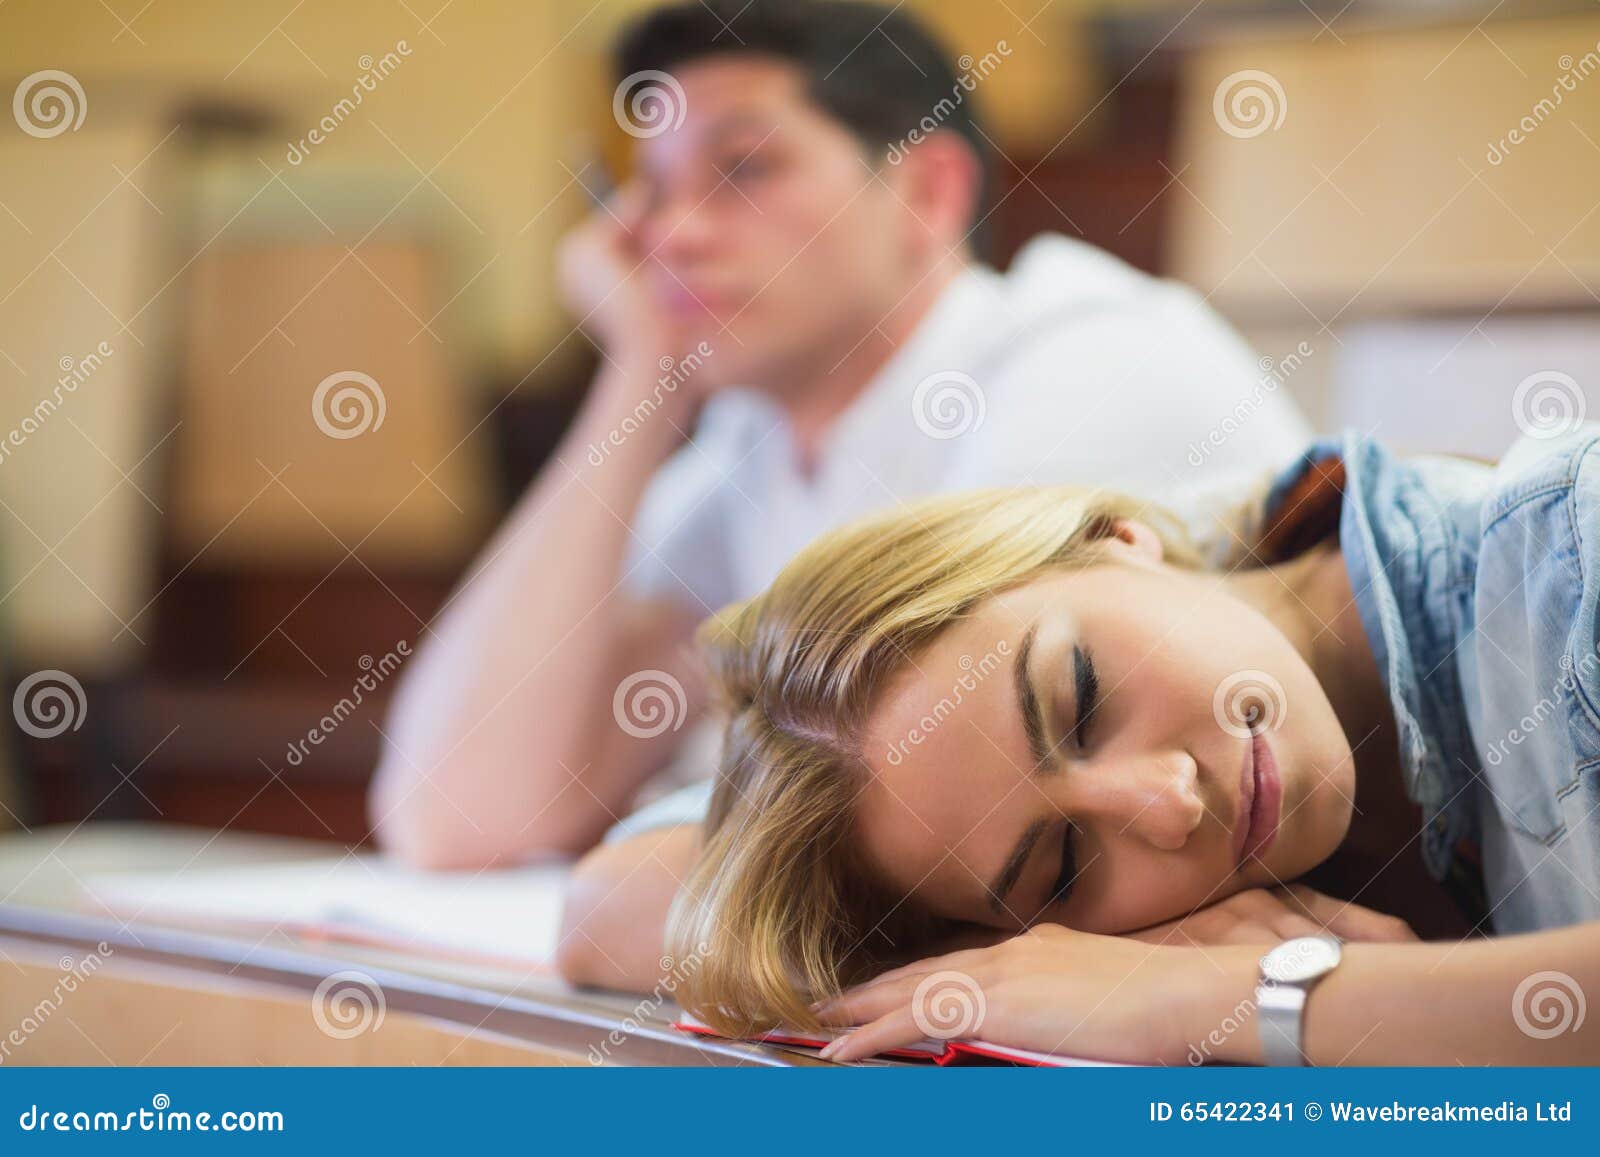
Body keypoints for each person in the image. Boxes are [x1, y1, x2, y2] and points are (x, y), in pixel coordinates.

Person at [368, 0, 1310, 871]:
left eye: (743, 169)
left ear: (928, 191)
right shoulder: (752, 447)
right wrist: (638, 384)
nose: (671, 235)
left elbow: (928, 834)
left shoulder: (1085, 355)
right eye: (648, 192)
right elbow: (456, 813)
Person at [635, 425, 1600, 1065]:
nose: (1170, 802)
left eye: (1083, 699)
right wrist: (1035, 960)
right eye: (1060, 866)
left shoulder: (1571, 550)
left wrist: (1211, 995)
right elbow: (608, 900)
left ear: (1109, 536)